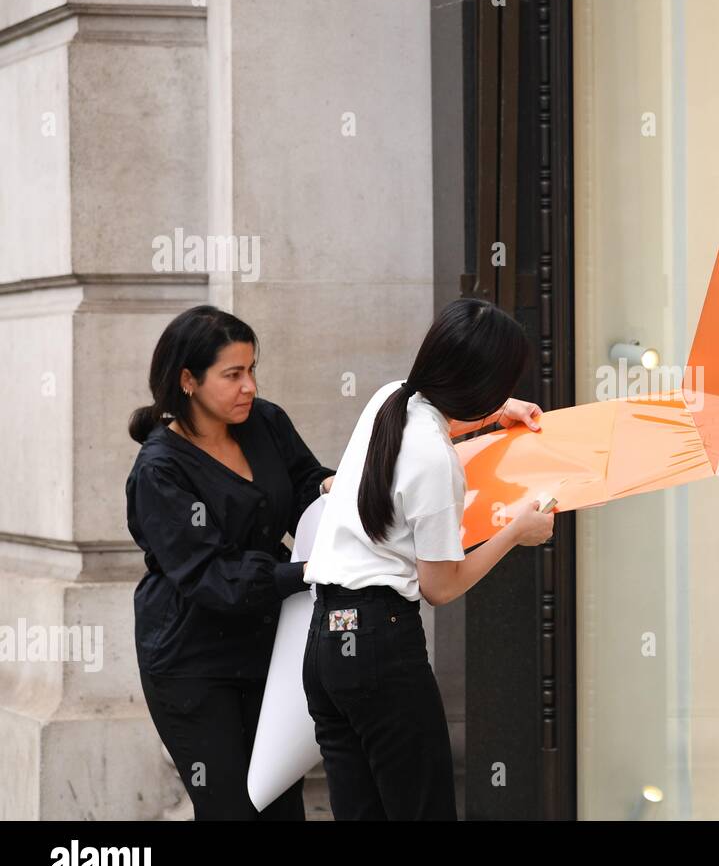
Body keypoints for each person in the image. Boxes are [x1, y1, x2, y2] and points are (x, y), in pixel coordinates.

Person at [302, 298, 555, 820]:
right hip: (380, 646)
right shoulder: (437, 466)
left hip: (327, 642)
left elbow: (435, 425)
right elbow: (441, 586)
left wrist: (496, 410)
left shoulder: (389, 400)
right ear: (480, 382)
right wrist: (515, 532)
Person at [125, 305, 336, 819]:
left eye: (253, 370)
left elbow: (306, 482)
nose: (250, 387)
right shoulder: (159, 470)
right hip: (193, 659)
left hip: (268, 644)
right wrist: (305, 573)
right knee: (230, 810)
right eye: (234, 374)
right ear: (188, 381)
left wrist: (337, 488)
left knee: (280, 804)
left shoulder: (264, 422)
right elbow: (212, 578)